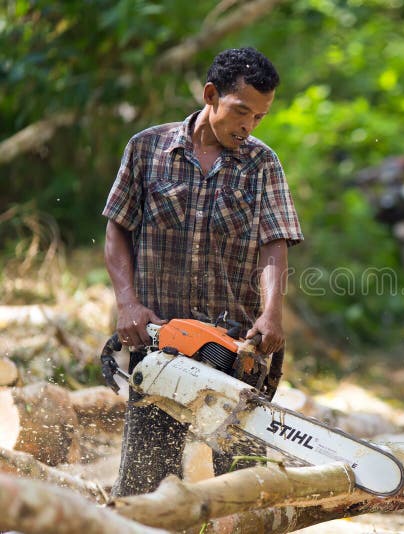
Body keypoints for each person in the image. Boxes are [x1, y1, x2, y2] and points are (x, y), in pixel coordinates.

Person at [103, 47, 303, 496]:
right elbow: (117, 231)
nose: (248, 126)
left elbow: (275, 243)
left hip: (234, 347)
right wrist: (127, 303)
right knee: (143, 486)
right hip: (161, 340)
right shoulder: (147, 148)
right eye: (241, 111)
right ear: (211, 95)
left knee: (243, 483)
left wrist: (271, 313)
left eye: (259, 117)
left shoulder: (262, 163)